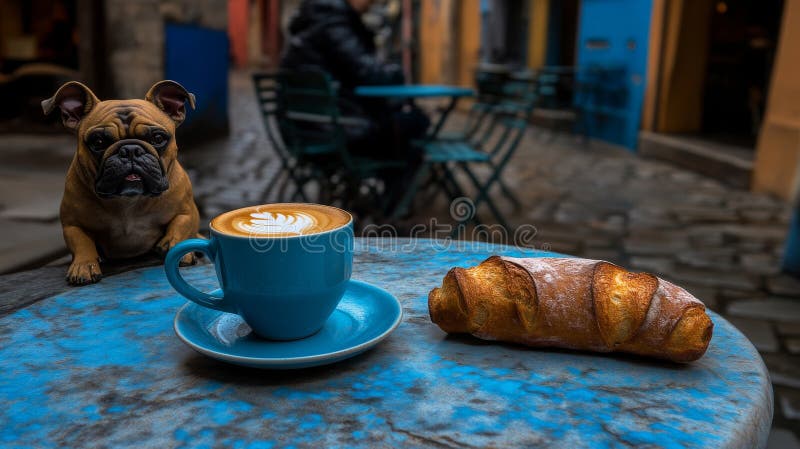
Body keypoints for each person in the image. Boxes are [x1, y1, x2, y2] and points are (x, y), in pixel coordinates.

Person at [280, 0, 429, 161]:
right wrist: (395, 72)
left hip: (307, 126)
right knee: (414, 123)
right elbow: (367, 71)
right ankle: (404, 183)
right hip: (334, 129)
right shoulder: (334, 23)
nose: (371, 4)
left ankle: (400, 179)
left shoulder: (318, 19)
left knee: (404, 123)